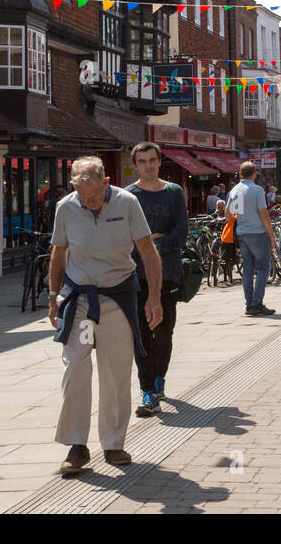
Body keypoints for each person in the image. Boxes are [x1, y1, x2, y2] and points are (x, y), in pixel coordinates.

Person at [48, 156, 162, 476]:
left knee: (114, 371)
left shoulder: (127, 204)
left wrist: (154, 297)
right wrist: (52, 296)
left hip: (116, 301)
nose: (90, 203)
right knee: (76, 368)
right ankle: (76, 445)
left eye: (95, 197)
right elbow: (59, 252)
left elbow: (147, 251)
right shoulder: (67, 207)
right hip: (81, 305)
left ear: (107, 182)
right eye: (84, 198)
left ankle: (113, 443)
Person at [127, 143, 189, 418]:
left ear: (159, 162)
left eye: (152, 160)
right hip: (135, 274)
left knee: (164, 330)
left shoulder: (174, 193)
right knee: (140, 332)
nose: (148, 166)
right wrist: (145, 245)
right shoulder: (128, 196)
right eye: (142, 161)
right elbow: (123, 236)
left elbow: (181, 233)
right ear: (136, 165)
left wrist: (153, 246)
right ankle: (148, 390)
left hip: (168, 272)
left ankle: (159, 378)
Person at [227, 161, 278, 316]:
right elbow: (264, 214)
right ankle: (256, 303)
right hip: (258, 233)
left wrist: (242, 218)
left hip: (242, 233)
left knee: (248, 269)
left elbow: (229, 214)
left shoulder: (235, 191)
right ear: (254, 173)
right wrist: (271, 236)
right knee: (263, 267)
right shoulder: (257, 190)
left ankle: (249, 304)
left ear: (240, 174)